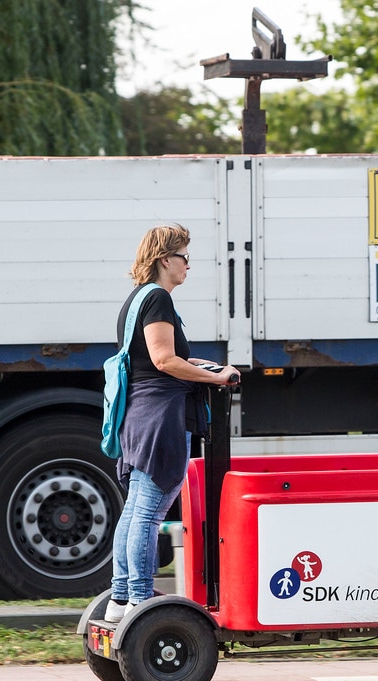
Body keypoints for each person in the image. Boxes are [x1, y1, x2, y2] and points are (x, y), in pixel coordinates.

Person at [105, 224, 240, 622]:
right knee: (149, 512)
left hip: (139, 413)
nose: (188, 266)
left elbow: (154, 359)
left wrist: (202, 366)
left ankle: (120, 598)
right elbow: (164, 361)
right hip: (160, 416)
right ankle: (139, 600)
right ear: (165, 259)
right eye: (184, 257)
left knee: (135, 509)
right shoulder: (158, 298)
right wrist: (218, 378)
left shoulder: (136, 299)